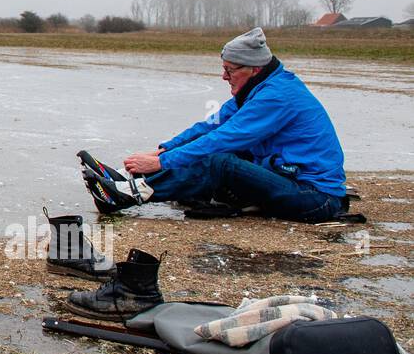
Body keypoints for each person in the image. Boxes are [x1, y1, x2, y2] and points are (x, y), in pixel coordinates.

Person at [81, 27, 349, 223]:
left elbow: (223, 139)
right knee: (213, 157)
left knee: (219, 161)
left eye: (229, 70)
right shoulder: (258, 88)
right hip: (286, 178)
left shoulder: (277, 96)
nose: (223, 76)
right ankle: (126, 180)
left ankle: (127, 194)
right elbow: (209, 127)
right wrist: (163, 150)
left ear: (253, 69)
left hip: (315, 198)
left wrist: (162, 163)